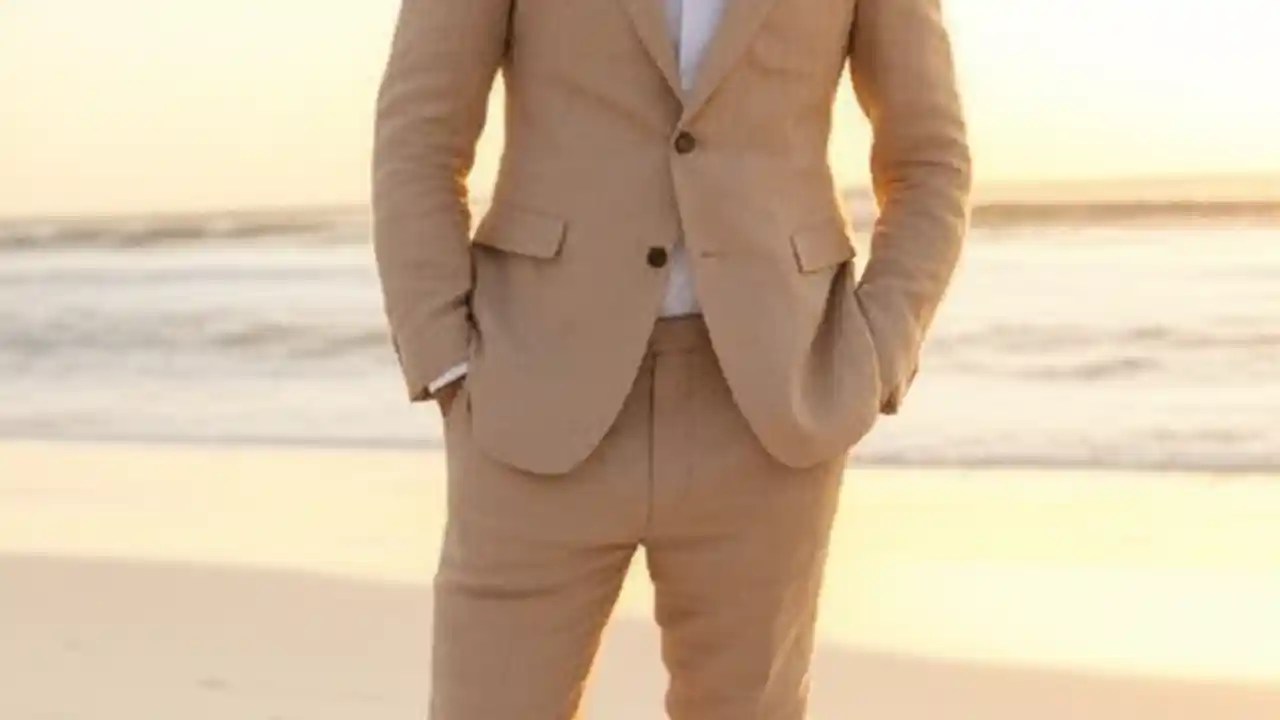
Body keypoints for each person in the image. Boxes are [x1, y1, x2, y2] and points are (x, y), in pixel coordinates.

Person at [371, 0, 970, 716]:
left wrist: (876, 353)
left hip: (768, 406)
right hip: (535, 388)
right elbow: (419, 138)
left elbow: (929, 160)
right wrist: (445, 359)